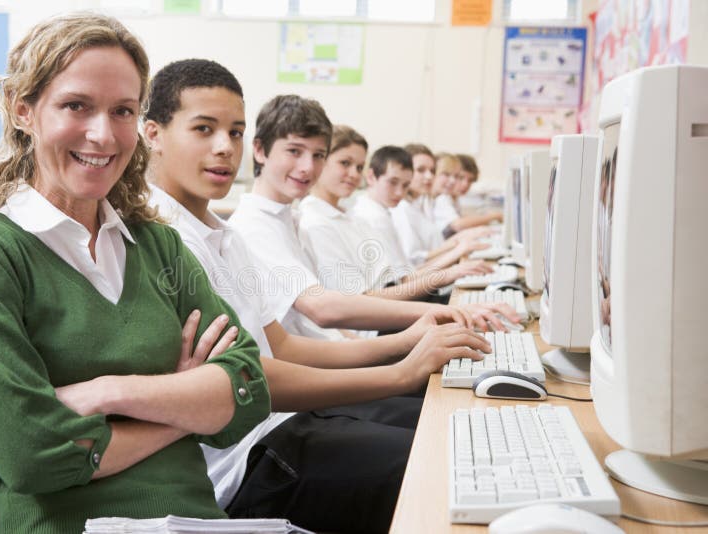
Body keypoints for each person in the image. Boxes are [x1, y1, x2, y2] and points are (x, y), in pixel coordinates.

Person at [0, 14, 269, 534]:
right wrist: (181, 401)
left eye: (123, 111)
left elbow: (248, 390)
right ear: (25, 110)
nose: (103, 134)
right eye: (76, 106)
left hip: (200, 523)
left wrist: (109, 393)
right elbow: (33, 457)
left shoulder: (158, 245)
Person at [142, 58, 492, 533]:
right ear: (153, 134)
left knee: (460, 436)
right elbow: (248, 375)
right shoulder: (164, 239)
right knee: (447, 463)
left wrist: (408, 339)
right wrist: (400, 366)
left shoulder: (227, 234)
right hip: (248, 462)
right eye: (203, 129)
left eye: (235, 132)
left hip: (283, 425)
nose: (225, 147)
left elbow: (279, 347)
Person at [227, 94, 514, 339]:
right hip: (333, 364)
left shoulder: (295, 220)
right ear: (260, 150)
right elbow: (328, 310)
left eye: (317, 155)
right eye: (294, 151)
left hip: (344, 349)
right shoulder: (271, 226)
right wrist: (442, 309)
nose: (307, 166)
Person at [299, 126, 500, 304]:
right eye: (345, 163)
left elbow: (396, 280)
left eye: (359, 167)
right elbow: (367, 299)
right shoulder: (318, 222)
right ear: (320, 161)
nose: (354, 174)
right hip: (373, 324)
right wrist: (447, 273)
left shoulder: (352, 217)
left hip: (384, 310)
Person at [435, 152, 503, 238]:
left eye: (470, 180)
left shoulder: (454, 199)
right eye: (460, 177)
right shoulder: (442, 198)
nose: (465, 185)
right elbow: (458, 224)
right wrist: (493, 216)